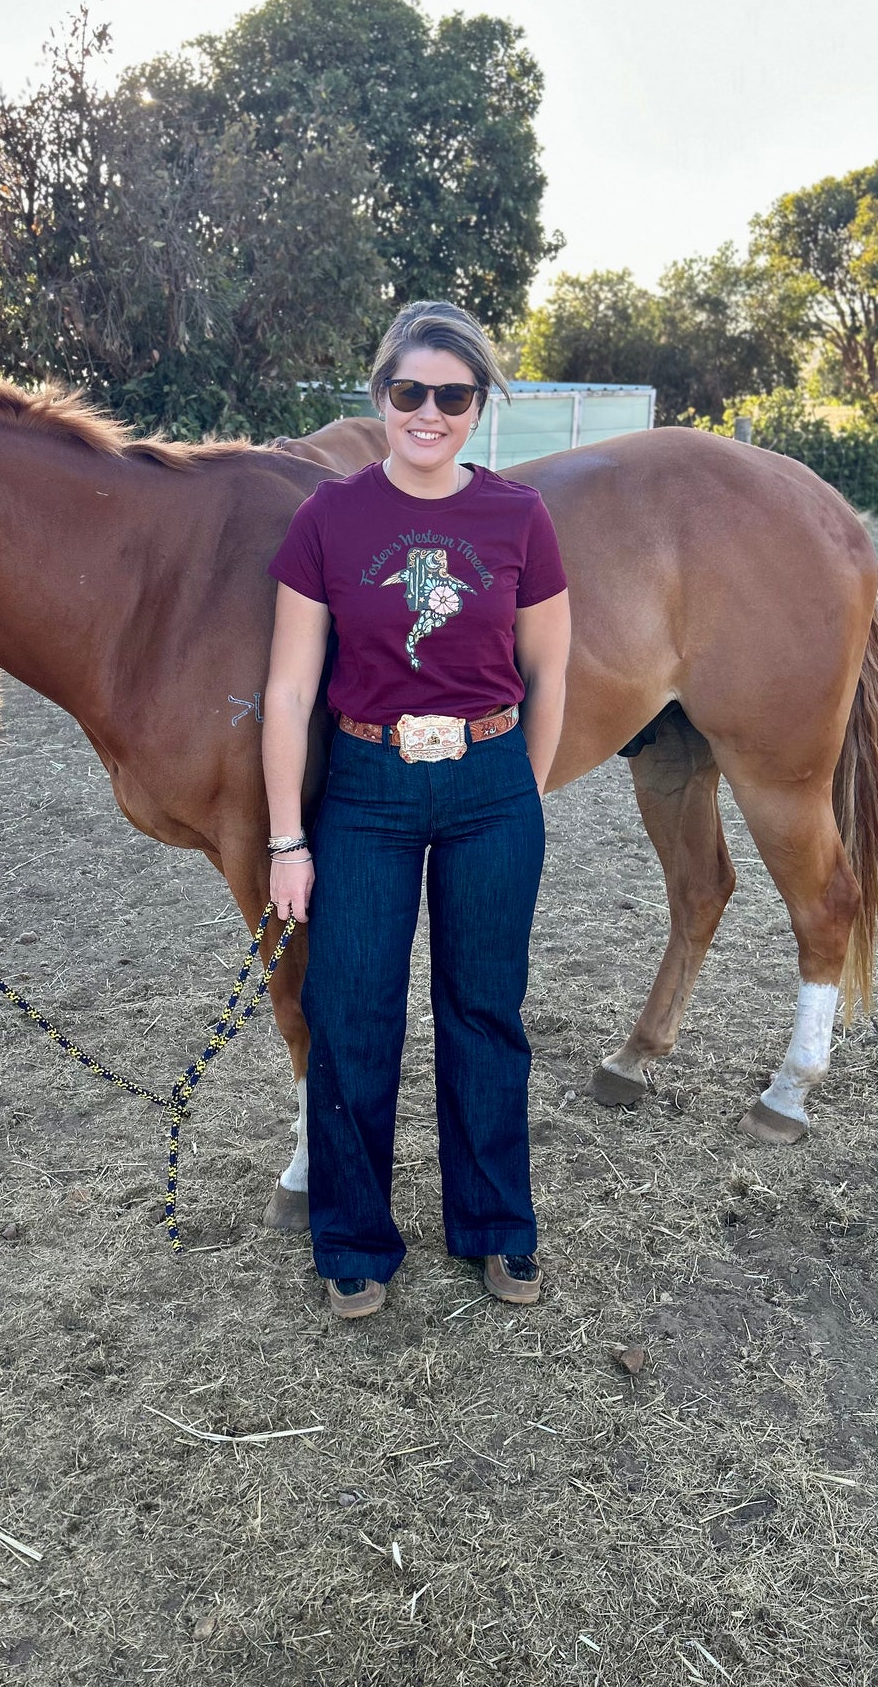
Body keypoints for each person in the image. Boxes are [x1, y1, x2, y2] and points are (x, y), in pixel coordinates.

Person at [262, 300, 571, 1319]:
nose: (428, 412)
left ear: (479, 405)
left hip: (489, 785)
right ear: (381, 395)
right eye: (409, 391)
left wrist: (521, 792)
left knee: (483, 1010)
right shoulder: (328, 519)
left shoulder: (519, 517)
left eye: (452, 394)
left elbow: (548, 671)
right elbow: (288, 691)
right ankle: (352, 1237)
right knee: (350, 1010)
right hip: (367, 787)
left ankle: (495, 1225)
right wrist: (287, 838)